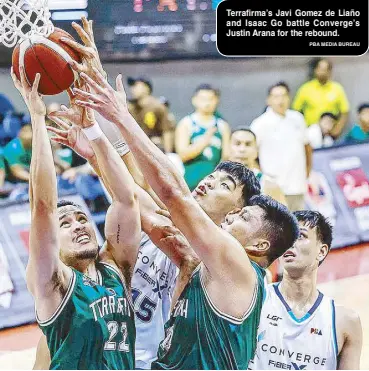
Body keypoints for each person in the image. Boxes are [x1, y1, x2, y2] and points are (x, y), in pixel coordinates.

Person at [32, 17, 261, 370]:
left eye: (222, 186)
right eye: (211, 177)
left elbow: (155, 191)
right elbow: (128, 186)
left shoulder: (214, 262)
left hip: (140, 358)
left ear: (235, 212)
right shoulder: (166, 221)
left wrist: (108, 120)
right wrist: (94, 88)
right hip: (92, 327)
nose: (208, 183)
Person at [73, 68, 300, 369]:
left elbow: (168, 192)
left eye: (242, 213)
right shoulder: (190, 248)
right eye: (213, 176)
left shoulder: (234, 262)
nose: (208, 183)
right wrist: (94, 145)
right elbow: (131, 195)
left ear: (259, 243)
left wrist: (119, 116)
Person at [11, 63, 141, 369]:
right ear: (53, 241)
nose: (78, 225)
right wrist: (38, 118)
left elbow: (126, 198)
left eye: (82, 219)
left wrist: (94, 132)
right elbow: (42, 207)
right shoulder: (52, 282)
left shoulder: (115, 269)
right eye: (65, 224)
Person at [249, 210, 363, 370]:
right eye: (287, 236)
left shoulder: (345, 322)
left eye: (300, 236)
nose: (290, 242)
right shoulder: (253, 299)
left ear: (321, 251)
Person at [250, 82, 313, 212]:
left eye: (284, 96)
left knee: (298, 224)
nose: (281, 100)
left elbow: (307, 147)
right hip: (273, 187)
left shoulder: (297, 118)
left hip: (297, 184)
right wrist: (263, 178)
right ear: (268, 100)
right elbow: (251, 154)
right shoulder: (260, 124)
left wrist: (307, 171)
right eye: (276, 96)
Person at [175, 84, 231, 190]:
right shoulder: (186, 123)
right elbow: (183, 154)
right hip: (191, 178)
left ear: (217, 101)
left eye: (211, 99)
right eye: (203, 99)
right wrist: (205, 140)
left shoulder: (222, 125)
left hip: (214, 180)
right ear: (194, 100)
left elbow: (226, 157)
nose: (207, 102)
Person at [293, 58, 350, 138]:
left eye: (325, 69)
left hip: (330, 133)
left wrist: (337, 129)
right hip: (310, 132)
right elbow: (296, 111)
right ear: (315, 70)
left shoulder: (337, 88)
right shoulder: (305, 89)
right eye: (320, 69)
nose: (322, 72)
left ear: (330, 72)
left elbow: (345, 112)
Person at [229, 127, 287, 205]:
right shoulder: (215, 182)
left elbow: (284, 217)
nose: (242, 149)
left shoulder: (269, 185)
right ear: (228, 148)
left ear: (256, 150)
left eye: (248, 144)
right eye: (237, 144)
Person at [128, 76, 174, 153]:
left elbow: (167, 131)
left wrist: (168, 153)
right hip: (136, 148)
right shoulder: (130, 107)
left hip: (155, 148)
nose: (133, 89)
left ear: (147, 88)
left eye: (136, 85)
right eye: (132, 86)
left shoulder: (157, 107)